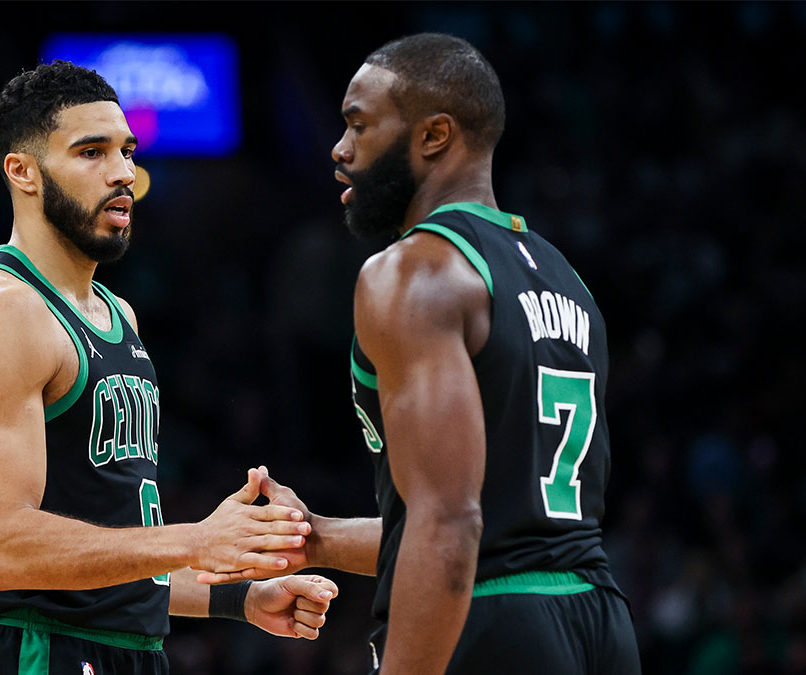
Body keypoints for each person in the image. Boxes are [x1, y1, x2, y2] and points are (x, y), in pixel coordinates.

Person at [201, 34, 641, 674]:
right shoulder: (563, 278)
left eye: (359, 125)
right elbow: (505, 527)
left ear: (434, 136)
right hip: (599, 622)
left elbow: (451, 524)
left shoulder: (411, 273)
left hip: (492, 624)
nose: (340, 149)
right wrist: (316, 537)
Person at [0, 61, 337, 675]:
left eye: (126, 151)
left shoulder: (119, 315)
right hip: (39, 653)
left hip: (131, 654)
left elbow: (112, 553)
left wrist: (237, 598)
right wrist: (199, 539)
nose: (123, 173)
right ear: (23, 172)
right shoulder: (1, 314)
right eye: (91, 152)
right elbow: (2, 548)